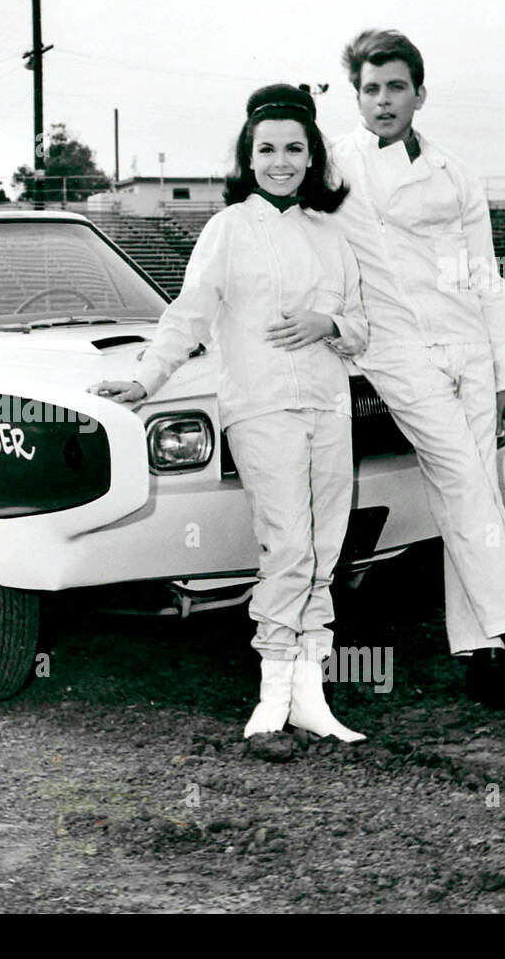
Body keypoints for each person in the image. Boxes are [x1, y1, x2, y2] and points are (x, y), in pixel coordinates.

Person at [90, 84, 368, 743]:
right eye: (267, 149)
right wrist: (146, 378)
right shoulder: (228, 229)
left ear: (312, 157)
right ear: (248, 156)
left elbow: (362, 329)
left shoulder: (332, 232)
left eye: (293, 149)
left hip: (328, 407)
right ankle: (272, 695)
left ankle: (311, 698)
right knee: (289, 545)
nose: (280, 161)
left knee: (325, 548)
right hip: (261, 408)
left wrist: (324, 320)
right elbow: (188, 315)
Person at [327, 28, 505, 713]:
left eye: (394, 87)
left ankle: (483, 661)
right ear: (355, 95)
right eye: (369, 89)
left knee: (475, 501)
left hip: (469, 349)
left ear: (419, 92)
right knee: (467, 487)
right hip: (397, 354)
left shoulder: (455, 172)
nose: (382, 101)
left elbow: (487, 278)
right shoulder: (333, 169)